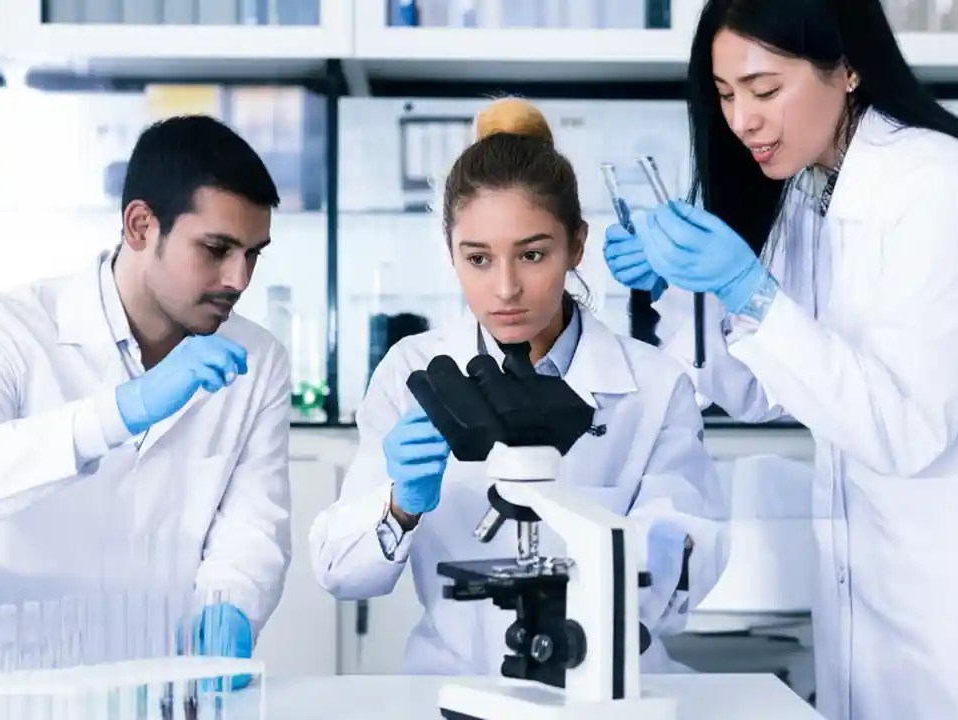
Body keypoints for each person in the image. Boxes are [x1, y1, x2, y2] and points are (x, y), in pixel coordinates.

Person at [604, 2, 958, 719]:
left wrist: (748, 288)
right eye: (724, 94)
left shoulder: (940, 187)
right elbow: (760, 392)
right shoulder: (816, 196)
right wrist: (682, 292)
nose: (741, 119)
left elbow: (901, 427)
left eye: (764, 89)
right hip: (883, 590)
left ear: (846, 68)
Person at [309, 98, 727, 675]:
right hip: (450, 681)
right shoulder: (414, 371)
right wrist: (399, 507)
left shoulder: (653, 387)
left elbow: (684, 550)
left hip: (606, 678)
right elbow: (341, 573)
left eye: (532, 254)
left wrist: (627, 577)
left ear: (576, 244)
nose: (505, 288)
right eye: (478, 258)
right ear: (450, 253)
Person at [0, 115, 293, 676]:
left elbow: (250, 531)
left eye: (253, 254)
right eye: (216, 248)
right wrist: (112, 416)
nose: (239, 279)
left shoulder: (258, 360)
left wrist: (232, 610)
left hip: (151, 682)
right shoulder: (4, 330)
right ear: (141, 226)